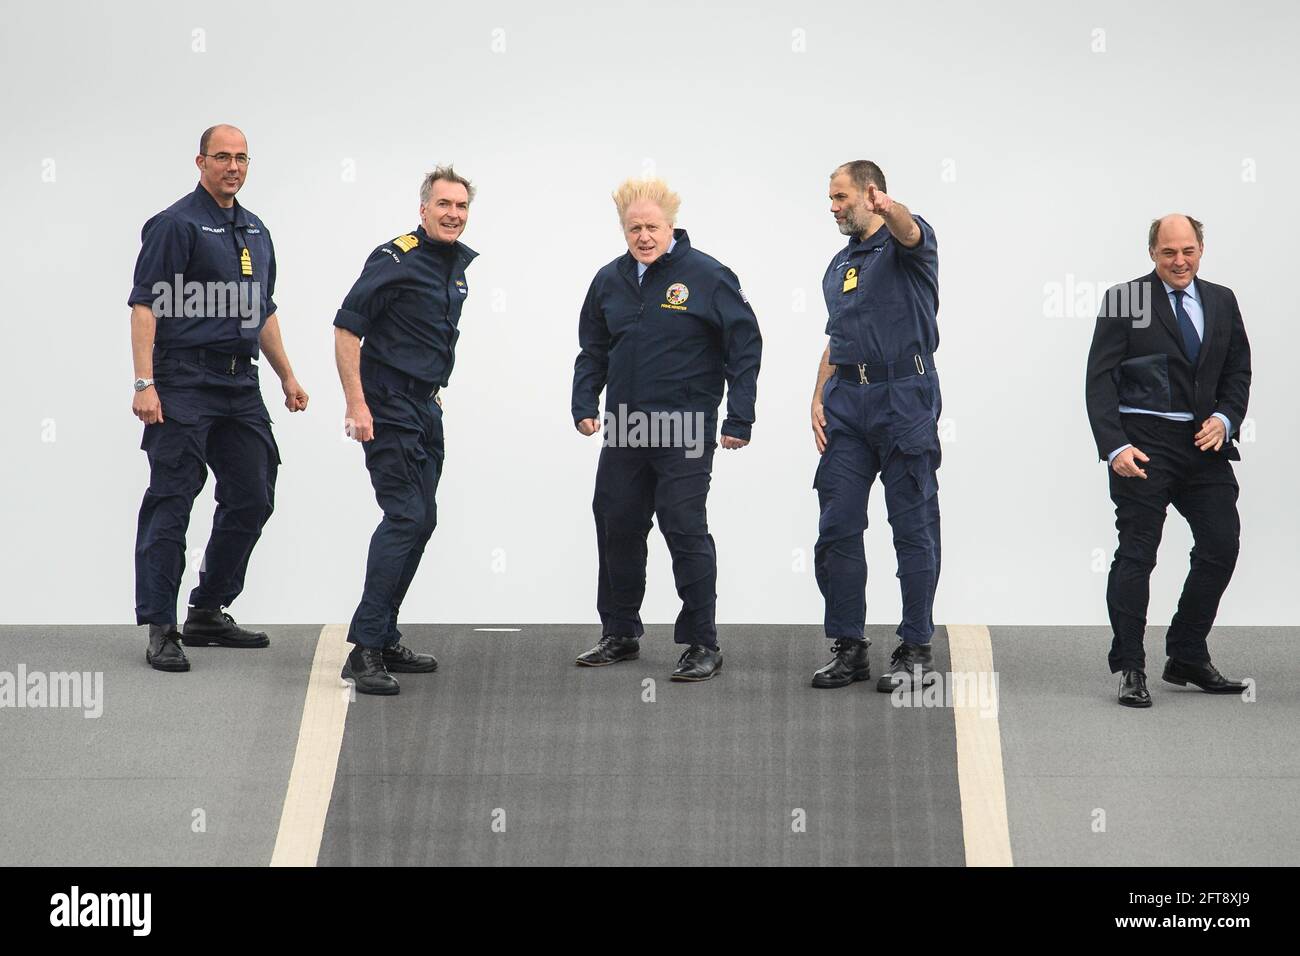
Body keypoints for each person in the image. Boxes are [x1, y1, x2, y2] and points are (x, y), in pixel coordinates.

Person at [129, 124, 308, 673]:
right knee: (174, 498)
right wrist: (144, 383)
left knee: (254, 494)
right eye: (223, 157)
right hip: (182, 381)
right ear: (201, 162)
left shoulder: (255, 230)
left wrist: (287, 376)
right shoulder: (175, 225)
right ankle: (161, 625)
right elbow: (144, 306)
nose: (233, 166)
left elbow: (263, 310)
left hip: (240, 383)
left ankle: (207, 610)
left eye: (242, 158)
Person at [571, 177, 761, 682]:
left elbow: (745, 346)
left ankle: (702, 642)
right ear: (623, 230)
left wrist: (739, 416)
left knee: (683, 525)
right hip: (627, 427)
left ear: (671, 225)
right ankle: (620, 632)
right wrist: (584, 402)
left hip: (686, 426)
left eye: (652, 226)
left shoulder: (708, 276)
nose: (644, 237)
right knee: (616, 524)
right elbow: (592, 350)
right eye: (634, 228)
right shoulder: (608, 281)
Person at [1085, 214, 1251, 708]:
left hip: (1204, 444)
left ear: (1201, 248)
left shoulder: (1221, 300)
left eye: (1188, 251)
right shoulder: (1127, 299)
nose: (1179, 262)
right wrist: (1115, 446)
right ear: (1152, 253)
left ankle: (1185, 653)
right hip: (1144, 443)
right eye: (1168, 253)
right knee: (1138, 553)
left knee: (1222, 543)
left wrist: (1225, 417)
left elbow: (1239, 370)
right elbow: (1100, 379)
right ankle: (1130, 666)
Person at [333, 166, 478, 696]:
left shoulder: (455, 267)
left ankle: (385, 634)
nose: (453, 214)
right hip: (387, 405)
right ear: (423, 209)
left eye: (461, 207)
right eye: (443, 204)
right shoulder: (395, 258)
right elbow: (348, 326)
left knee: (423, 519)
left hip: (424, 408)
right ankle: (365, 649)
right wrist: (357, 404)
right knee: (405, 515)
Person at [809, 160, 942, 691]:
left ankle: (915, 647)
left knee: (912, 525)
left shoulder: (907, 244)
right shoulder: (838, 264)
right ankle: (849, 645)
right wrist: (817, 394)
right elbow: (836, 337)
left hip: (903, 399)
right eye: (831, 199)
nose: (834, 208)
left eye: (841, 197)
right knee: (837, 525)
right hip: (848, 403)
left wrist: (893, 210)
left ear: (870, 194)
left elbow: (909, 229)